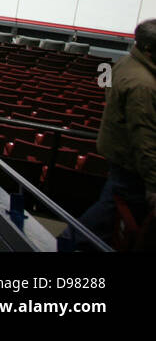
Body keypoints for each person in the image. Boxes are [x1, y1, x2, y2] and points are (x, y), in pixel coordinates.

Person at [58, 19, 156, 251]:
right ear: (150, 51)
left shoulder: (124, 62)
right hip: (131, 163)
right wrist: (154, 184)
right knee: (109, 211)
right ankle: (70, 242)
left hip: (119, 154)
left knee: (110, 207)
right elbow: (146, 139)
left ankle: (71, 240)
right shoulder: (143, 86)